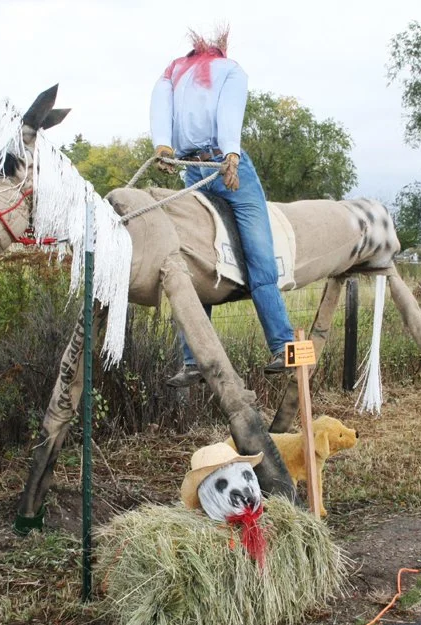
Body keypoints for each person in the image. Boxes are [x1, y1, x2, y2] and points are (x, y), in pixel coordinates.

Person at [150, 28, 295, 387]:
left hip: (192, 169)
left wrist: (163, 146)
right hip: (226, 167)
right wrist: (231, 151)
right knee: (260, 256)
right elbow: (230, 112)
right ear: (221, 50)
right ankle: (284, 346)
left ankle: (194, 359)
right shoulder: (231, 70)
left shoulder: (172, 72)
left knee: (192, 260)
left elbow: (159, 104)